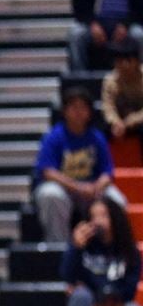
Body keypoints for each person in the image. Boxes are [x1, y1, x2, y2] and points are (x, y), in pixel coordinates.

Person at [33, 87, 126, 243]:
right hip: (65, 190)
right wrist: (77, 187)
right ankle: (59, 245)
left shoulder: (97, 137)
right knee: (50, 194)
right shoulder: (53, 136)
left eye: (83, 107)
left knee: (117, 200)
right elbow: (47, 171)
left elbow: (107, 171)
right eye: (74, 107)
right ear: (65, 111)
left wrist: (97, 186)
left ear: (89, 112)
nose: (78, 112)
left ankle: (112, 247)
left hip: (91, 190)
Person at [61, 196, 143, 306]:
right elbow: (68, 277)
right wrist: (75, 248)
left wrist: (106, 296)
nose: (98, 221)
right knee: (80, 296)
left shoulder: (128, 249)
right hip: (91, 305)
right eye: (93, 217)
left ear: (115, 218)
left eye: (103, 215)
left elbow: (130, 291)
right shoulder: (82, 246)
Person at [101, 39, 143, 163]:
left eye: (127, 61)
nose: (123, 65)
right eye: (118, 61)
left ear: (136, 61)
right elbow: (108, 106)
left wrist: (131, 120)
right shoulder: (110, 80)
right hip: (119, 123)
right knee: (99, 130)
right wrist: (115, 122)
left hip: (139, 121)